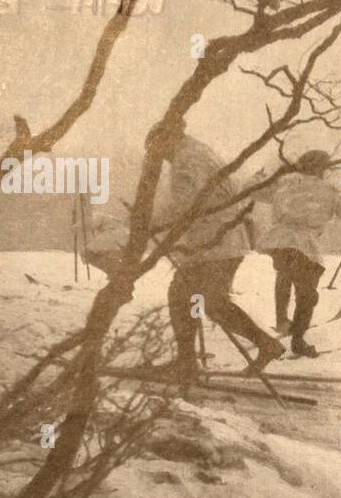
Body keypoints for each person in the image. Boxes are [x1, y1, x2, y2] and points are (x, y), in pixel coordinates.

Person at [93, 129, 283, 380]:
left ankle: (191, 361)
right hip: (218, 238)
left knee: (193, 298)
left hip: (215, 240)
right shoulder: (200, 152)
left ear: (166, 141)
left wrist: (149, 222)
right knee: (199, 299)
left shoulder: (188, 158)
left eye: (158, 152)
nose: (162, 160)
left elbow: (187, 203)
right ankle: (195, 359)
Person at [255, 149, 341, 358]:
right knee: (307, 294)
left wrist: (258, 176)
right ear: (321, 169)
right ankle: (298, 339)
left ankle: (282, 320)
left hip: (279, 240)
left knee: (285, 274)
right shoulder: (328, 190)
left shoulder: (284, 182)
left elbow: (256, 192)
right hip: (305, 245)